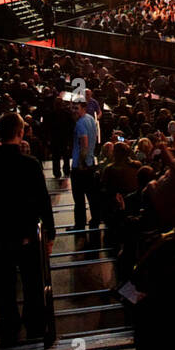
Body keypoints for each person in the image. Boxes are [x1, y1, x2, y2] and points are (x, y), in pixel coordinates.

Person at [0, 114, 55, 344]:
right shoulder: (30, 164)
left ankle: (10, 328)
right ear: (21, 133)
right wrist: (51, 234)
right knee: (33, 284)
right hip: (27, 235)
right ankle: (35, 327)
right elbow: (43, 201)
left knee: (4, 288)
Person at [70, 100, 102, 248]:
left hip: (80, 165)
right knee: (92, 196)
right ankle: (94, 221)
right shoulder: (90, 119)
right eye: (72, 108)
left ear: (83, 108)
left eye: (76, 108)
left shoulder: (80, 123)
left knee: (79, 198)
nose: (73, 111)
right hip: (90, 163)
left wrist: (81, 162)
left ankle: (80, 225)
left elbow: (84, 142)